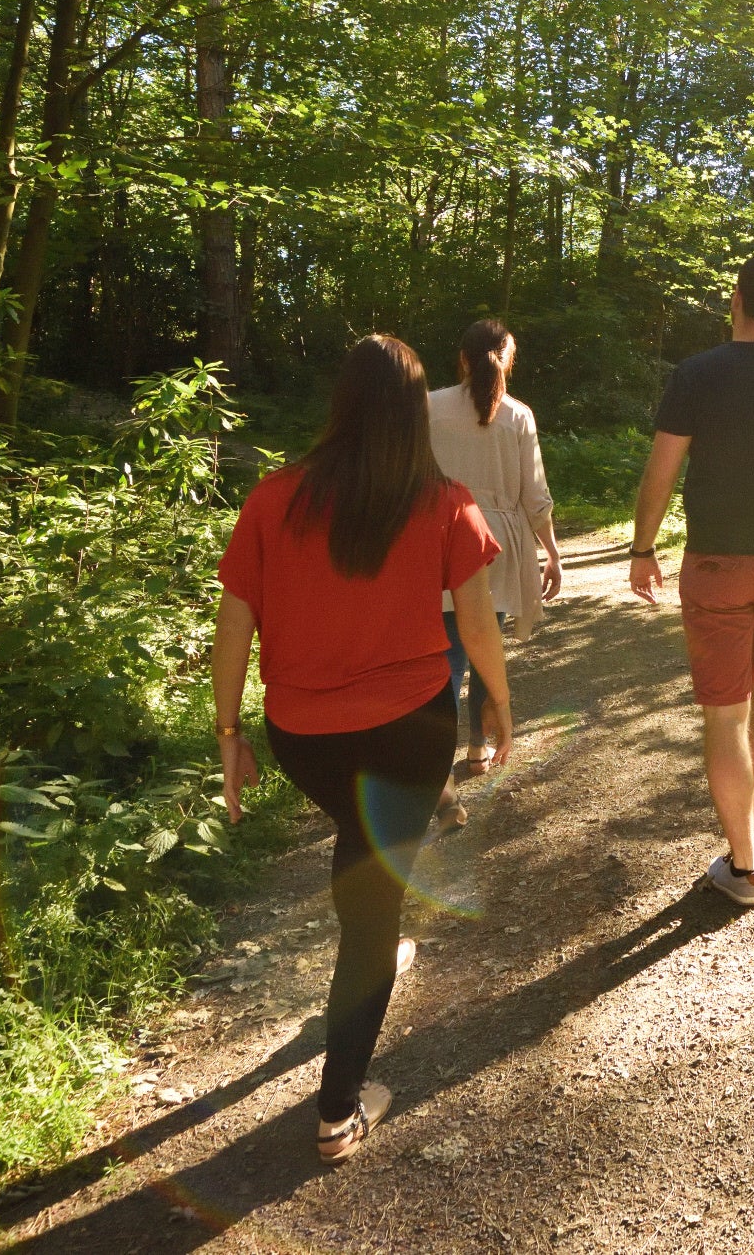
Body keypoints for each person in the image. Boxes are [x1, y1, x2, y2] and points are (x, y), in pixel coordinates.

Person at [211, 334, 514, 1163]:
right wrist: (502, 701)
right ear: (414, 414)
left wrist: (230, 733)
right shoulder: (445, 502)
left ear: (340, 404)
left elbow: (234, 619)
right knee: (371, 896)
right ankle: (338, 1112)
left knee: (364, 846)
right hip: (410, 732)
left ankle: (378, 928)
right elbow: (479, 623)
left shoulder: (275, 498)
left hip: (302, 737)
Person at [627, 253, 754, 908]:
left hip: (717, 560)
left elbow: (661, 471)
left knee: (724, 713)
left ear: (735, 298)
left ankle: (743, 870)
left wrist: (643, 546)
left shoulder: (697, 375)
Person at [427, 318, 561, 813]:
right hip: (497, 545)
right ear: (506, 359)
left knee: (445, 655)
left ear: (462, 359)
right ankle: (478, 748)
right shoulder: (518, 415)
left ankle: (438, 767)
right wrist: (551, 550)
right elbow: (535, 495)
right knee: (489, 643)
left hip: (438, 542)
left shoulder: (429, 406)